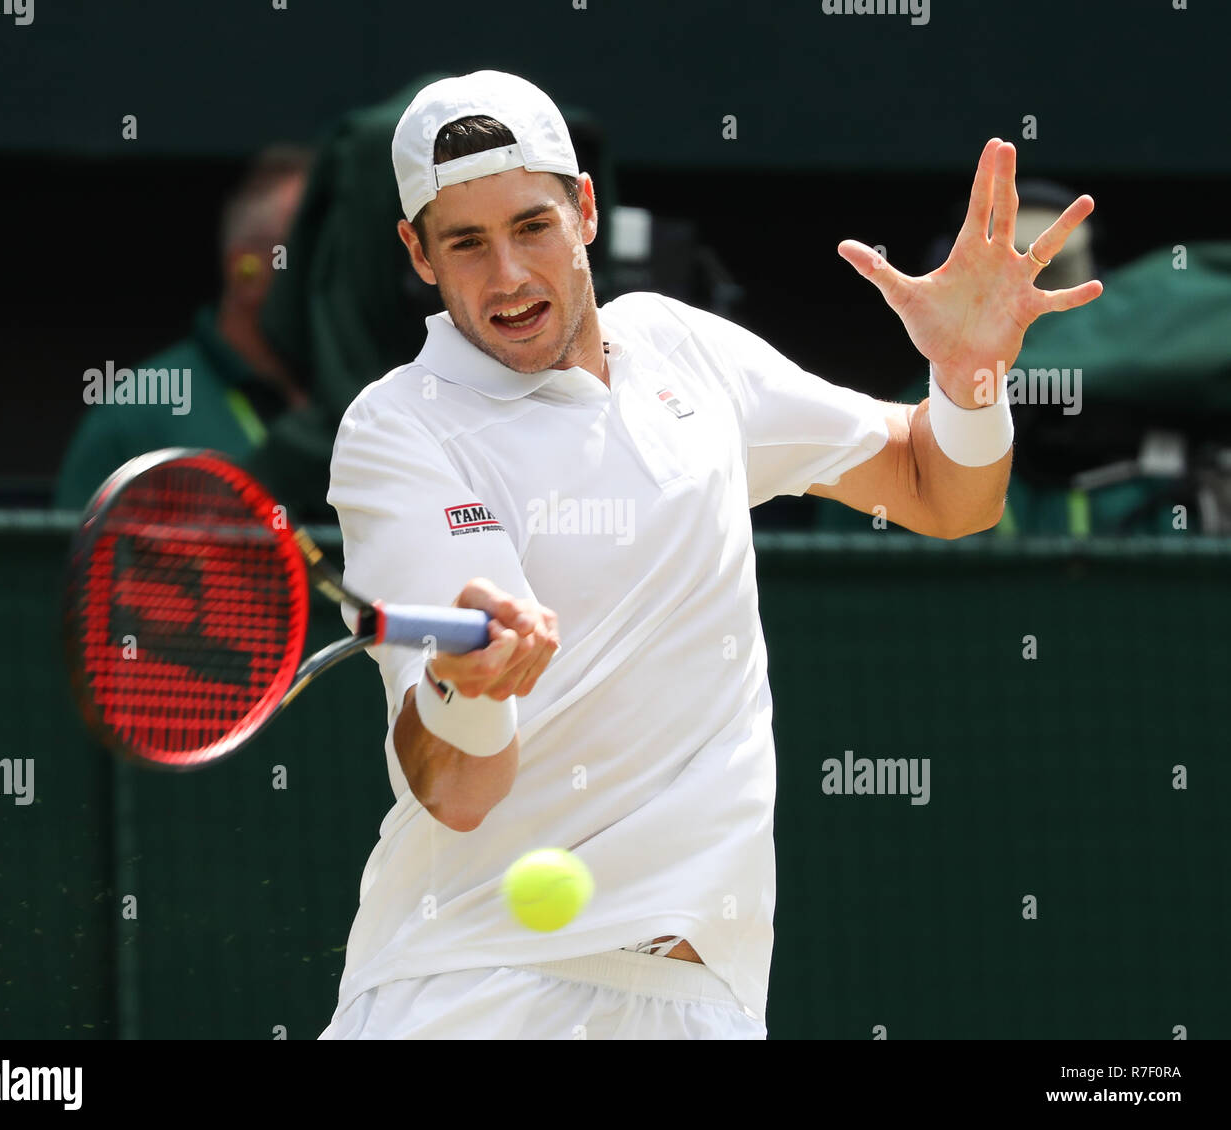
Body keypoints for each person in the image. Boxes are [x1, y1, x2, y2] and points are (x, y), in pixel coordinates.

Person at [319, 70, 1102, 1040]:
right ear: (417, 254)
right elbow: (458, 786)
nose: (509, 276)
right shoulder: (399, 428)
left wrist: (969, 377)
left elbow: (942, 491)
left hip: (701, 999)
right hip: (469, 984)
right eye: (466, 243)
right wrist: (466, 688)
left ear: (586, 210)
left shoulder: (684, 351)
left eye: (530, 226)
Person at [53, 145, 313, 510]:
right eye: (313, 252)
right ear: (246, 272)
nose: (340, 277)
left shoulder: (368, 399)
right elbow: (74, 562)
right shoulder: (138, 414)